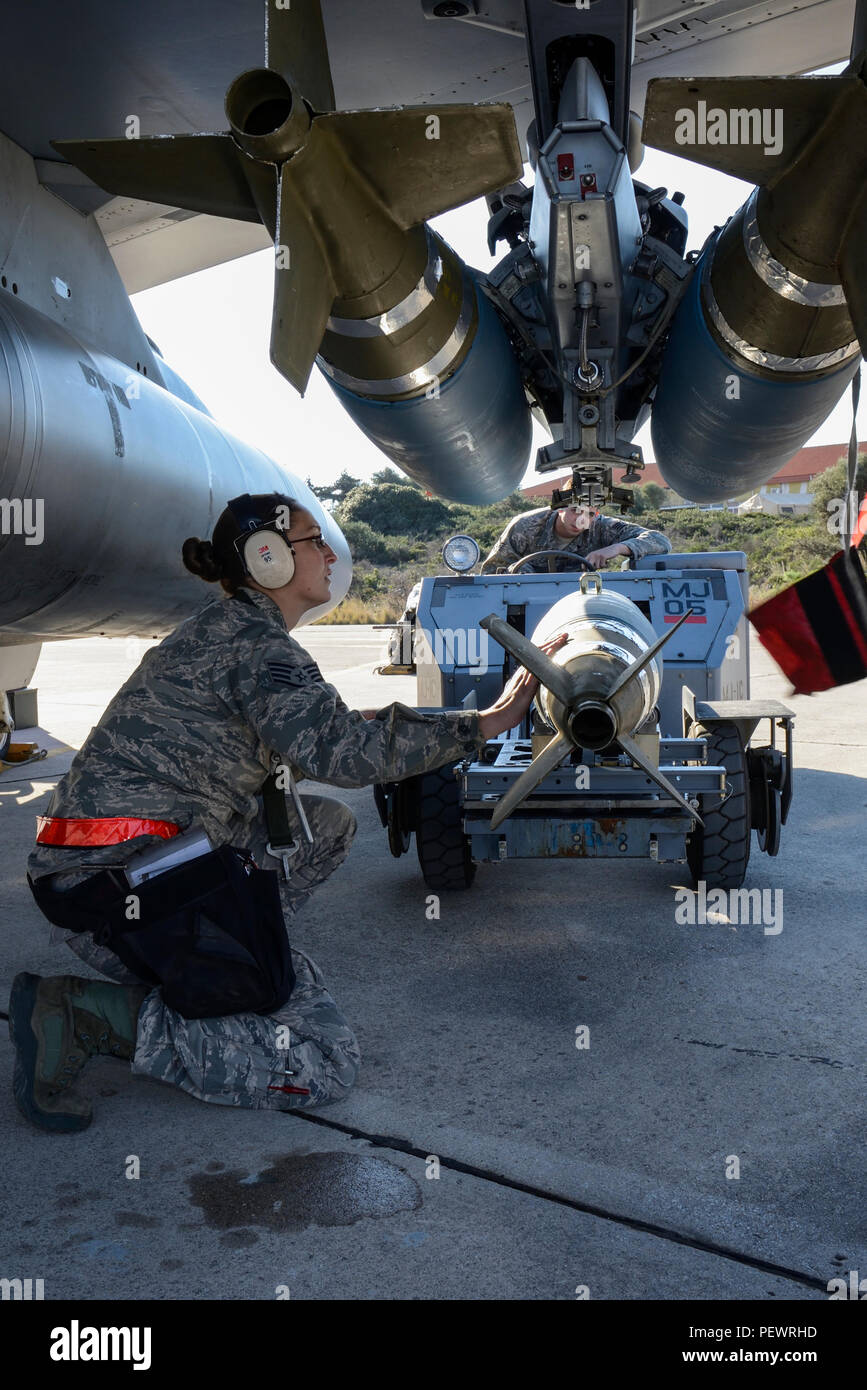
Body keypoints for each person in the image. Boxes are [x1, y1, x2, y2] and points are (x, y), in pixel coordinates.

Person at [11, 493, 562, 1135]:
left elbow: (317, 734)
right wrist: (486, 724)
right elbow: (341, 753)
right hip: (112, 889)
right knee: (325, 1065)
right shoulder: (257, 648)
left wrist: (453, 725)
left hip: (116, 867)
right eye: (313, 540)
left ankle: (230, 971)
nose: (330, 553)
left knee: (325, 829)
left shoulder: (237, 633)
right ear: (266, 558)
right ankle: (90, 1015)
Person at [481, 500, 671, 573]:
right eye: (575, 511)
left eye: (589, 514)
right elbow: (491, 572)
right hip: (523, 604)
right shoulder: (525, 525)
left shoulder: (600, 526)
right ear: (559, 507)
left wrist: (616, 548)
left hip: (579, 603)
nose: (582, 520)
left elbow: (660, 541)